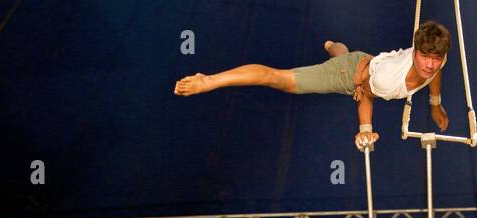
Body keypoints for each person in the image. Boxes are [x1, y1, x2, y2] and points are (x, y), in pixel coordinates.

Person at [174, 21, 452, 150]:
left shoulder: (439, 60)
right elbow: (364, 94)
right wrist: (365, 129)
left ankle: (333, 46)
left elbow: (433, 77)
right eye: (424, 57)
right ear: (414, 52)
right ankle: (209, 80)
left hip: (364, 62)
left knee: (345, 53)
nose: (429, 65)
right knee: (277, 79)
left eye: (435, 59)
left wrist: (435, 105)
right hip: (348, 75)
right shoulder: (387, 78)